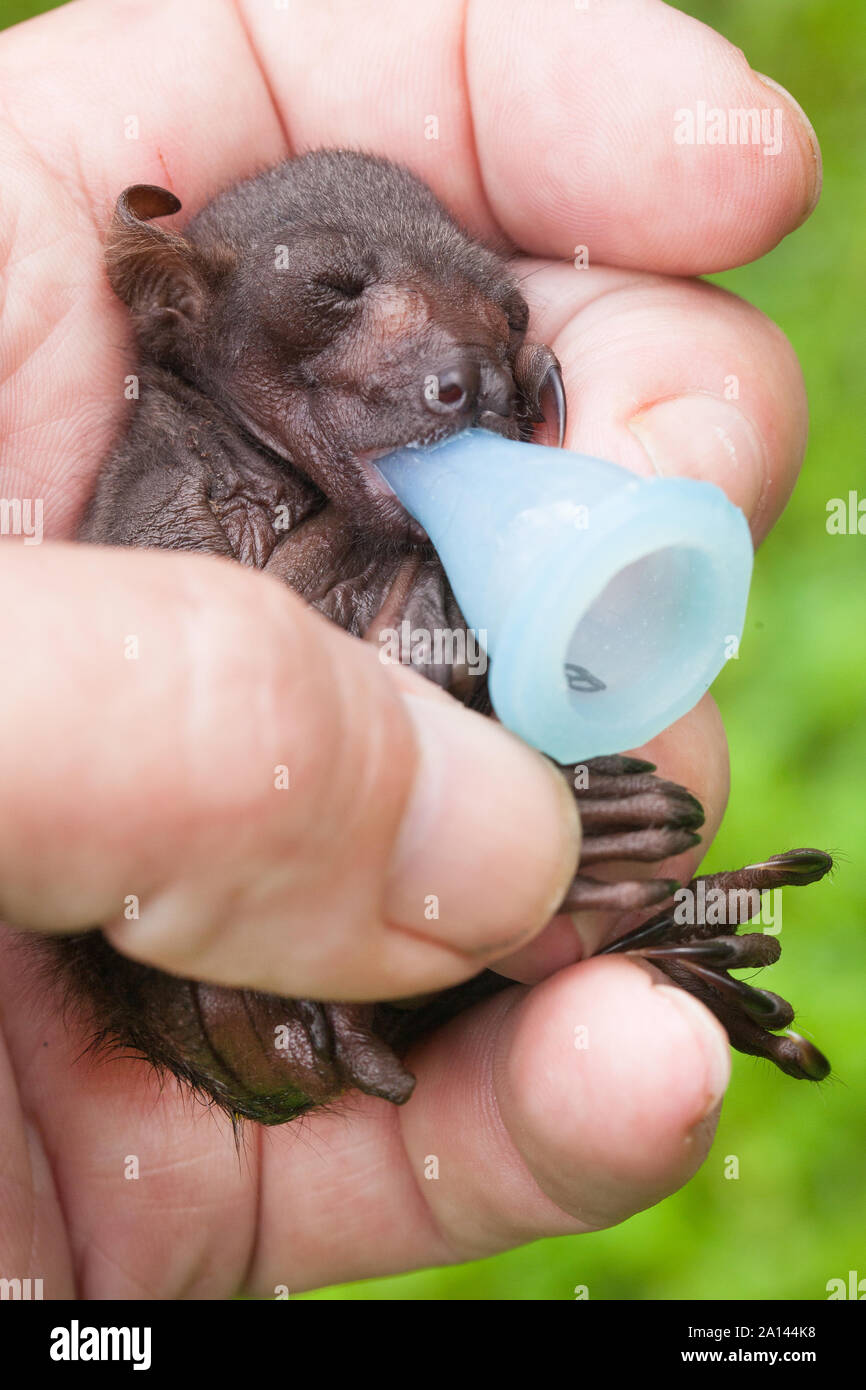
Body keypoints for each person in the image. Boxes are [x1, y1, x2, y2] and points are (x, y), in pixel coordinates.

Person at [0, 0, 821, 1298]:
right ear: (172, 299)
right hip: (198, 980)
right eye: (338, 292)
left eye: (496, 329)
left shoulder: (381, 525)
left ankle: (586, 922)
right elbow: (283, 668)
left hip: (352, 983)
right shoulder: (184, 465)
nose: (450, 372)